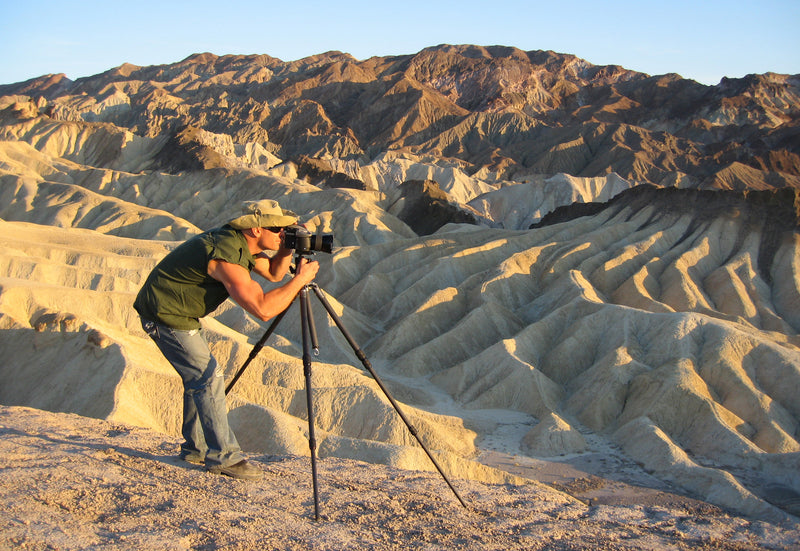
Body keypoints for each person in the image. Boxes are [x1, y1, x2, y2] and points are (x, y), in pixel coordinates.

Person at [134, 199, 319, 480]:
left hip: (179, 313)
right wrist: (299, 282)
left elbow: (273, 273)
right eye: (279, 230)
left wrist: (286, 248)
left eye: (286, 230)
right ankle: (224, 458)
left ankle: (195, 448)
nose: (284, 233)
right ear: (256, 230)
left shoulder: (240, 243)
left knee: (199, 379)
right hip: (165, 315)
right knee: (208, 378)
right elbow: (263, 309)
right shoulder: (226, 255)